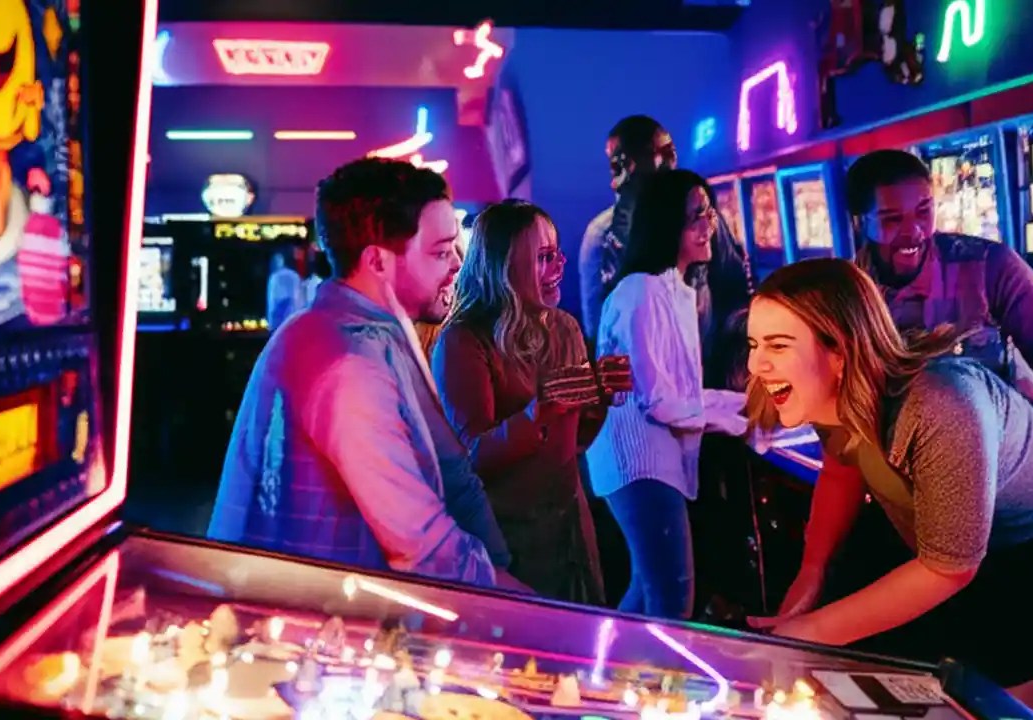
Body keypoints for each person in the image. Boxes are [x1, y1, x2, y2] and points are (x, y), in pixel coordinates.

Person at [744, 259, 1033, 716]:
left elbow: (948, 568)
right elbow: (842, 468)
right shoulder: (834, 396)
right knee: (910, 635)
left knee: (1006, 664)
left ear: (840, 350)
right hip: (949, 532)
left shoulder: (941, 405)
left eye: (777, 344)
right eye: (754, 344)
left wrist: (809, 632)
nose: (756, 363)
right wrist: (811, 574)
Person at [208, 157, 524, 591]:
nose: (457, 263)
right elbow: (423, 548)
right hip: (313, 626)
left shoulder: (370, 334)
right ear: (377, 262)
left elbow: (453, 475)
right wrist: (524, 608)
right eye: (439, 251)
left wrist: (500, 568)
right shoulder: (347, 361)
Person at [433, 200, 630, 604]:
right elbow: (469, 457)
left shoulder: (564, 327)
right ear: (505, 266)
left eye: (556, 253)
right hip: (508, 537)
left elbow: (574, 442)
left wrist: (599, 397)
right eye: (542, 257)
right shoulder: (463, 340)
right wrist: (540, 409)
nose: (558, 266)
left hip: (570, 525)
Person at [844, 149, 1033, 437]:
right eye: (892, 219)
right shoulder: (845, 298)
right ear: (859, 222)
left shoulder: (988, 265)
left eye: (924, 211)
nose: (913, 231)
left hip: (1007, 449)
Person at [587, 169, 748, 619]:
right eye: (696, 216)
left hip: (653, 462)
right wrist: (736, 419)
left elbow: (684, 392)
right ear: (666, 224)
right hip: (638, 463)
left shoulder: (673, 288)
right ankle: (651, 685)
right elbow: (658, 400)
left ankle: (605, 677)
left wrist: (743, 404)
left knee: (647, 593)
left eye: (709, 213)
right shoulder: (642, 291)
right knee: (671, 598)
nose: (708, 225)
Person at [578, 115, 753, 389]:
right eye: (616, 165)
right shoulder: (603, 236)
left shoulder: (706, 220)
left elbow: (735, 291)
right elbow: (600, 333)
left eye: (670, 152)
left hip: (712, 384)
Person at [266, 251, 303, 332]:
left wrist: (272, 325)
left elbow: (275, 304)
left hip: (281, 325)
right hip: (294, 323)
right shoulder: (294, 275)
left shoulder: (276, 277)